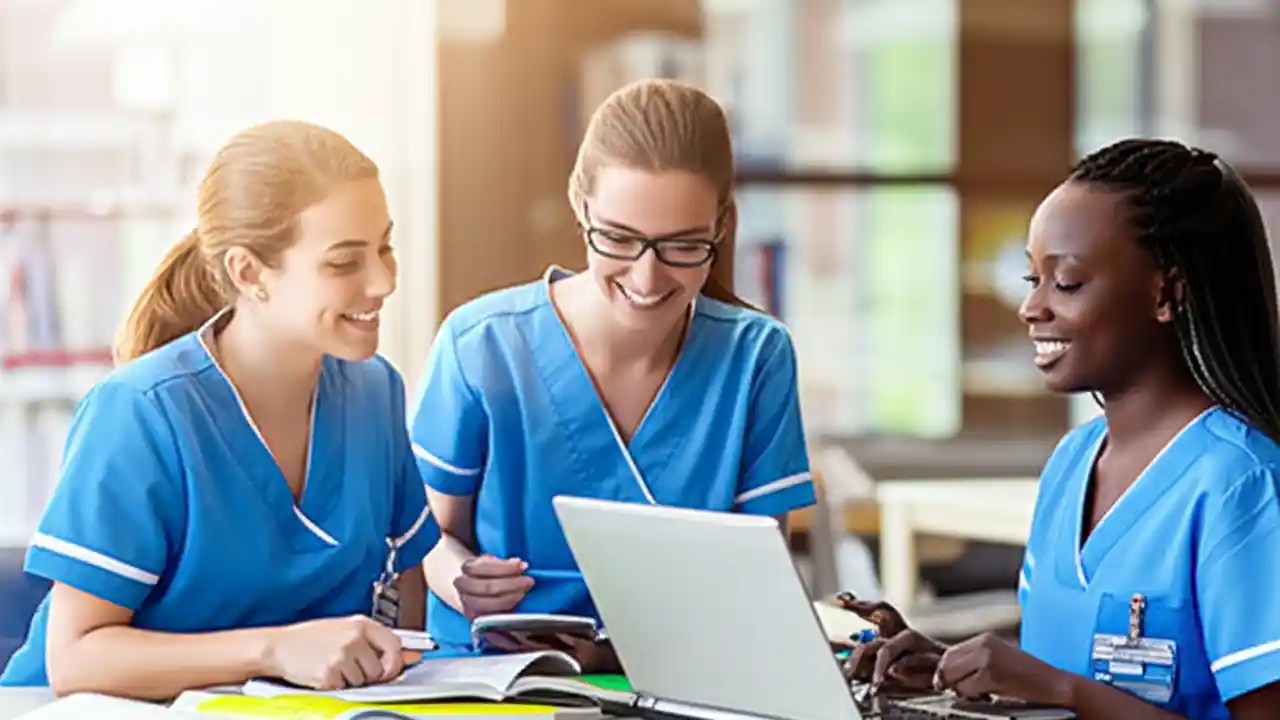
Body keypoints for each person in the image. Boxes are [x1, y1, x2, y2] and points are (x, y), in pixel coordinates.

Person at [839, 138, 1280, 720]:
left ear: (1166, 294)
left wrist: (1057, 687)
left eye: (1066, 283)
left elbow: (1071, 691)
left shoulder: (1241, 484)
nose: (1031, 309)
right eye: (1031, 280)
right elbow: (1067, 680)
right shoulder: (1072, 463)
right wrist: (957, 670)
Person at [0, 120, 439, 699]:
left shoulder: (373, 392)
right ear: (248, 272)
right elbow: (78, 659)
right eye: (343, 263)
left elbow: (408, 587)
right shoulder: (142, 413)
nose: (383, 281)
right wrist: (277, 648)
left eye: (385, 246)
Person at [409, 79, 816, 668]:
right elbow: (431, 539)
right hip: (497, 679)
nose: (647, 279)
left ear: (722, 226)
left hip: (679, 680)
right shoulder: (483, 344)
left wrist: (614, 655)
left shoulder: (755, 358)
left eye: (682, 246)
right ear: (581, 206)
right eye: (619, 240)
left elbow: (755, 583)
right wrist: (461, 581)